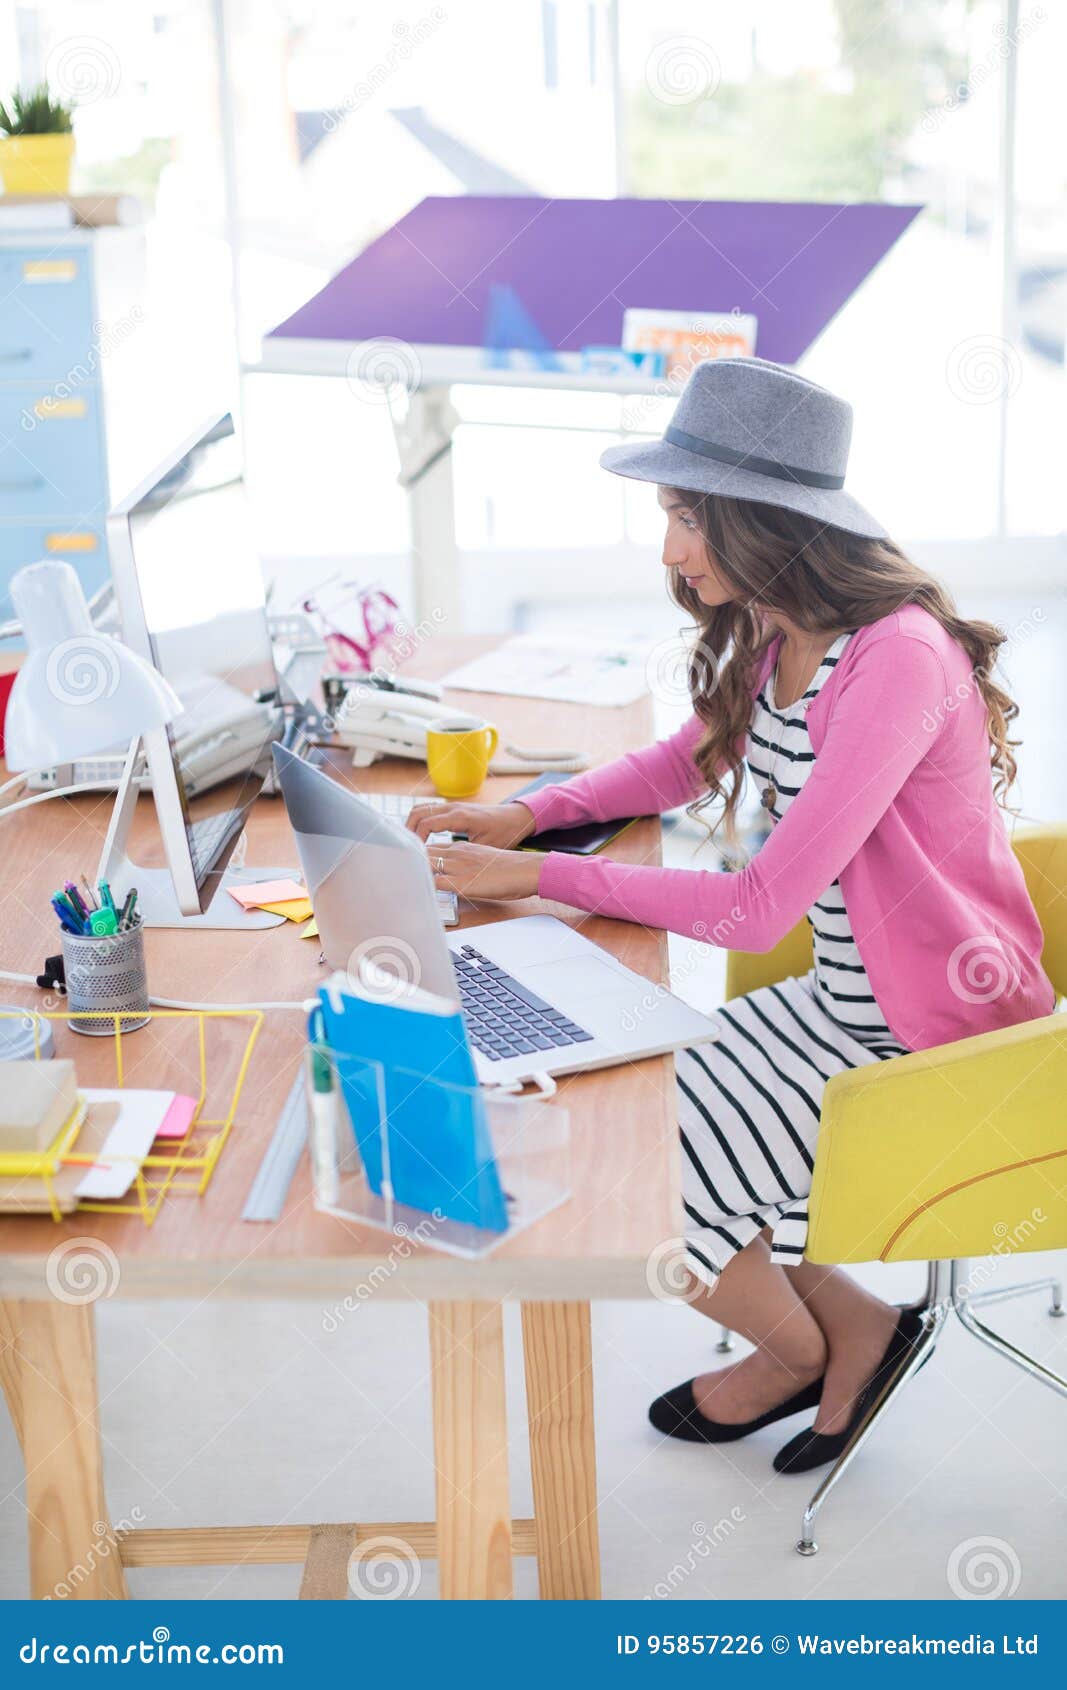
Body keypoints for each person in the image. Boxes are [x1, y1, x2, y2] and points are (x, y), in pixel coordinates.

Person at [407, 357, 1053, 1474]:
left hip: (927, 1037)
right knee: (613, 1100)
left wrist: (541, 879)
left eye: (682, 517)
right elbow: (690, 755)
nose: (667, 550)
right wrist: (527, 817)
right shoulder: (782, 621)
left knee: (631, 1166)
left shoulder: (893, 657)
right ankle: (854, 1328)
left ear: (762, 521)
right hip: (842, 1006)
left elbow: (758, 909)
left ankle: (794, 1352)